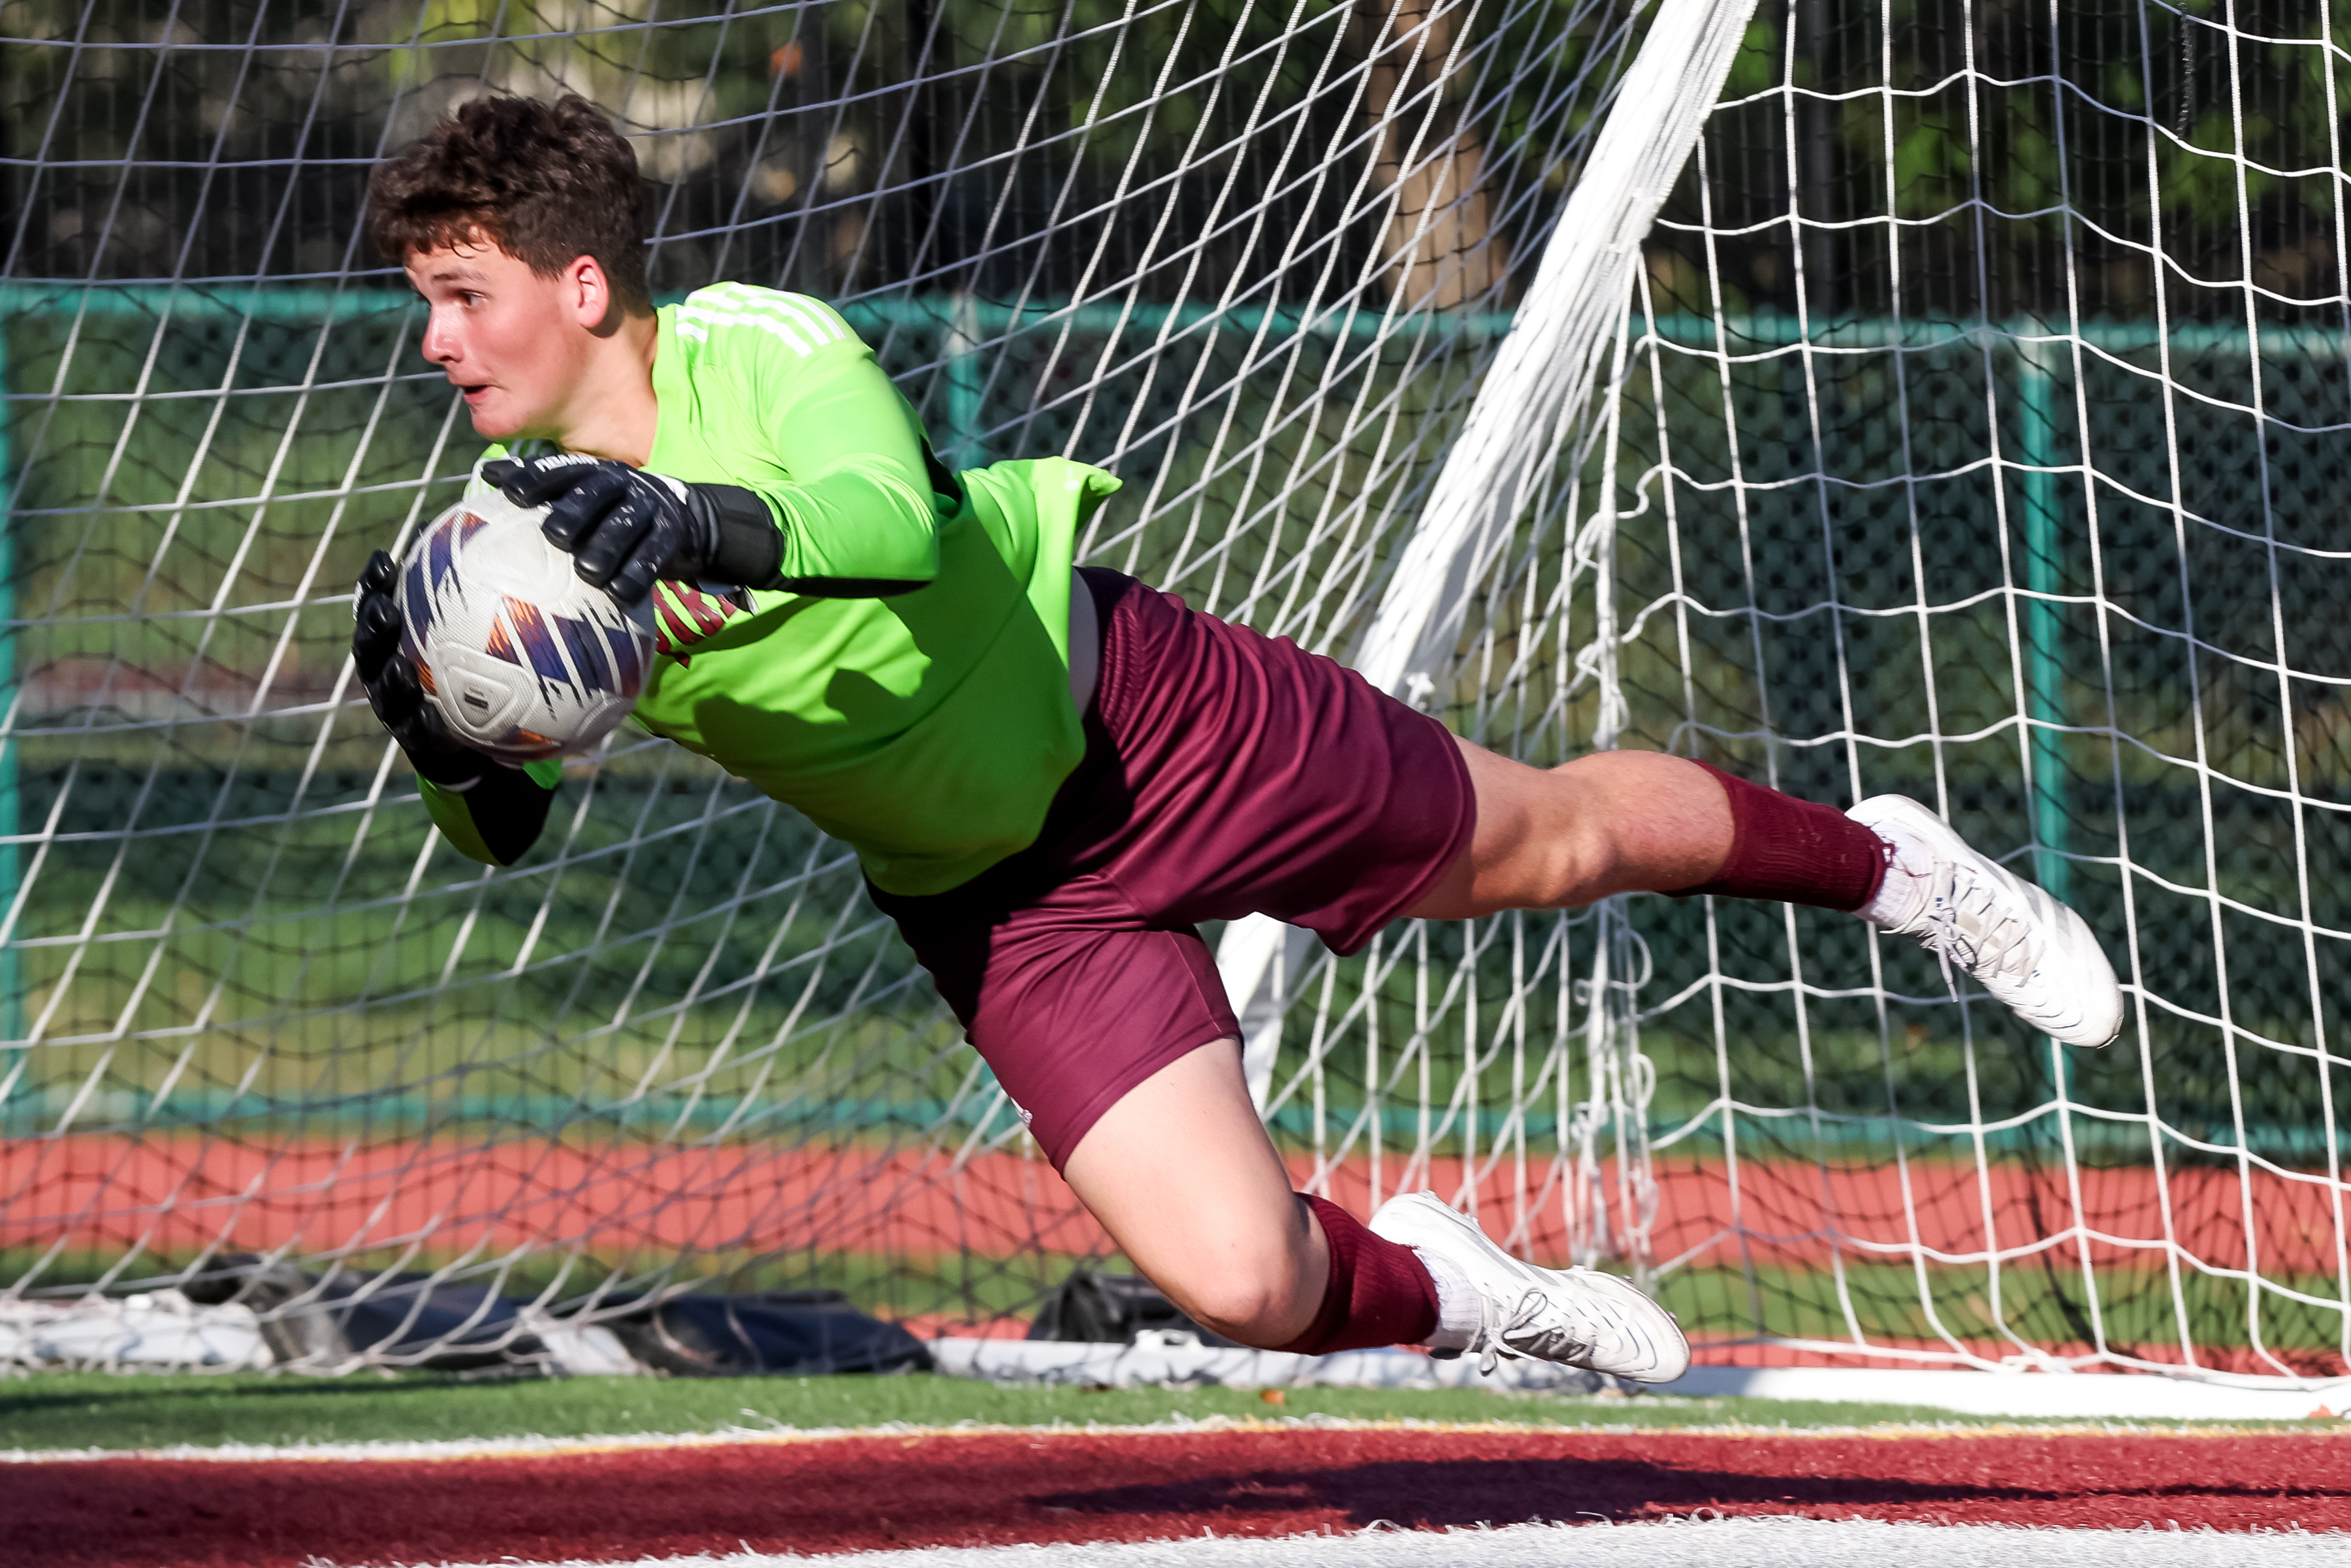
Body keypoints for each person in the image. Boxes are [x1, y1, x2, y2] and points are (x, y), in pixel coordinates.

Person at [351, 94, 2124, 1385]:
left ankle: (1895, 864)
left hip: (1144, 714)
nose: (437, 341)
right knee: (1240, 1281)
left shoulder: (764, 345)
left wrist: (705, 525)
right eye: (423, 301)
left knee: (1559, 843)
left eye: (464, 293)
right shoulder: (507, 540)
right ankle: (1457, 1291)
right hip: (1003, 897)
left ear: (584, 286)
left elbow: (883, 514)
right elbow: (510, 831)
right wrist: (431, 732)